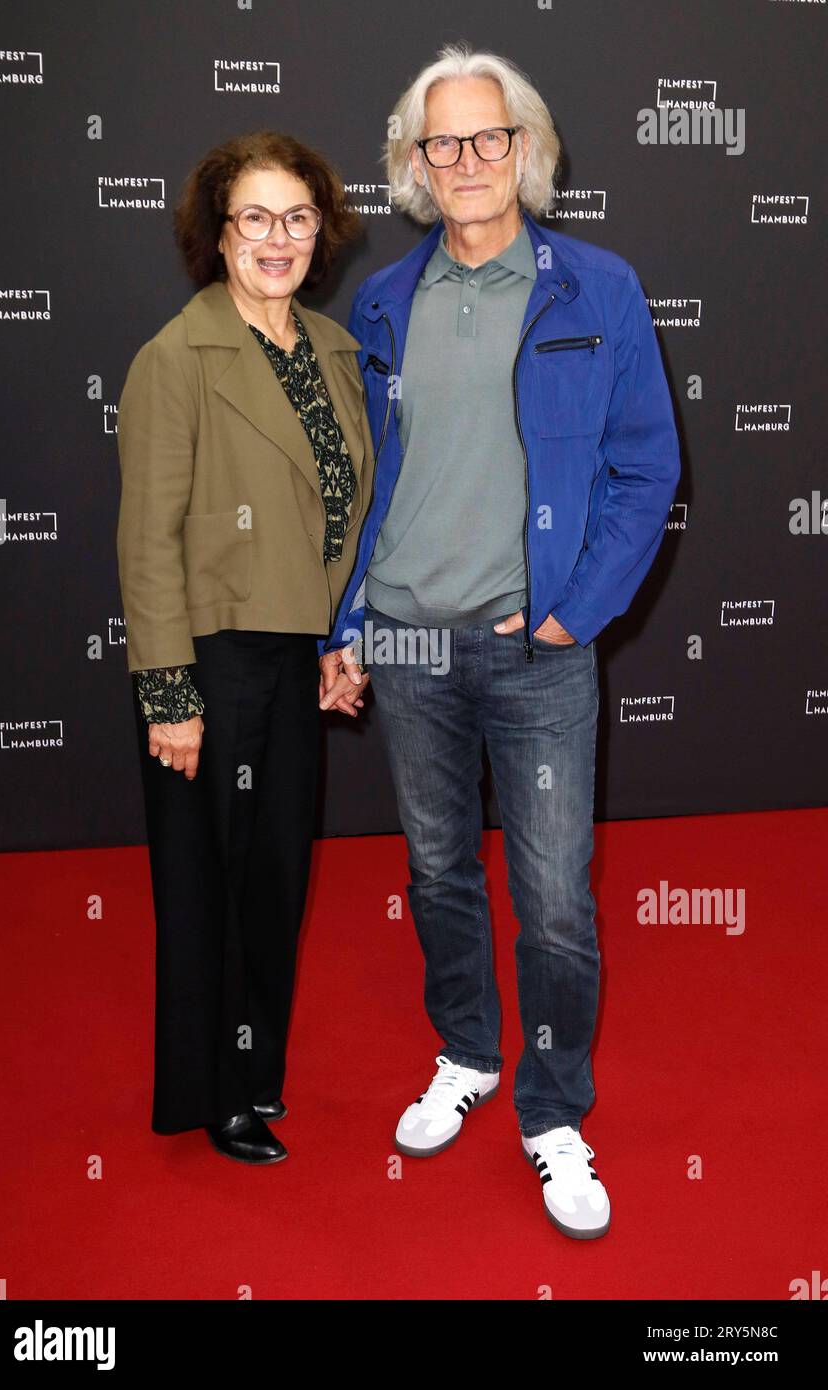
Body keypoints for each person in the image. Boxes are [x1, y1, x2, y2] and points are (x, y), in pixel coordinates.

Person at [319, 45, 680, 1237]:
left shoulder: (598, 288)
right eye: (442, 144)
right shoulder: (380, 303)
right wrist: (351, 621)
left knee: (556, 900)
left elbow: (646, 466)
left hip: (539, 650)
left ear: (524, 149)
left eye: (488, 139)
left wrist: (579, 607)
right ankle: (467, 1050)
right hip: (410, 646)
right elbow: (363, 483)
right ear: (413, 165)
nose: (467, 162)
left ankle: (552, 1107)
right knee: (434, 872)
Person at [116, 131, 372, 1165]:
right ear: (218, 237)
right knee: (206, 882)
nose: (279, 237)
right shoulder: (176, 358)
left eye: (298, 217)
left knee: (274, 878)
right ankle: (209, 1090)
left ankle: (255, 1068)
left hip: (290, 651)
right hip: (210, 661)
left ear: (323, 230)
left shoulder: (333, 350)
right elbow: (146, 539)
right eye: (256, 218)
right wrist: (169, 692)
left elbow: (341, 509)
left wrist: (335, 636)